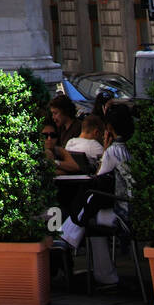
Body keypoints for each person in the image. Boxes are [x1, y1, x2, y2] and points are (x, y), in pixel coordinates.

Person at [54, 104, 134, 286]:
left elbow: (99, 177)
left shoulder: (113, 151)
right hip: (128, 206)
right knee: (89, 212)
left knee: (88, 213)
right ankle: (103, 272)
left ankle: (67, 239)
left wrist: (106, 149)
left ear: (110, 128)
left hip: (120, 211)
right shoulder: (128, 148)